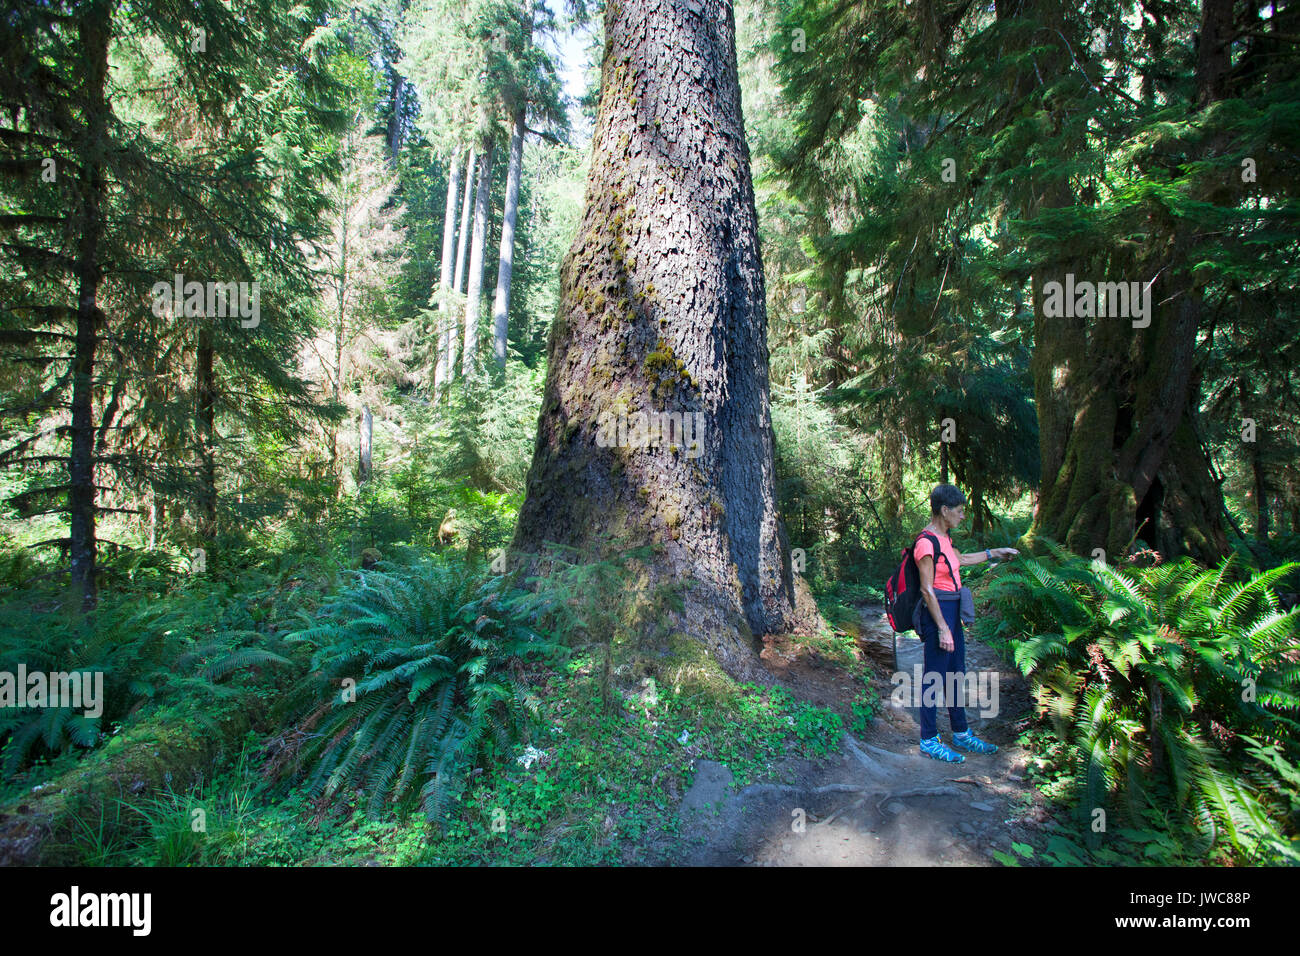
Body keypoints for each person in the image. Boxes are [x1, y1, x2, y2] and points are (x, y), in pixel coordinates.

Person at [913, 483, 1018, 762]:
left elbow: (960, 560)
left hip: (953, 609)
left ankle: (960, 733)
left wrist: (995, 552)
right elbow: (927, 589)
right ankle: (928, 739)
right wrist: (943, 628)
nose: (962, 516)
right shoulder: (926, 542)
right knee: (934, 677)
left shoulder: (945, 538)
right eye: (959, 511)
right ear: (944, 510)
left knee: (955, 672)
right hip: (938, 613)